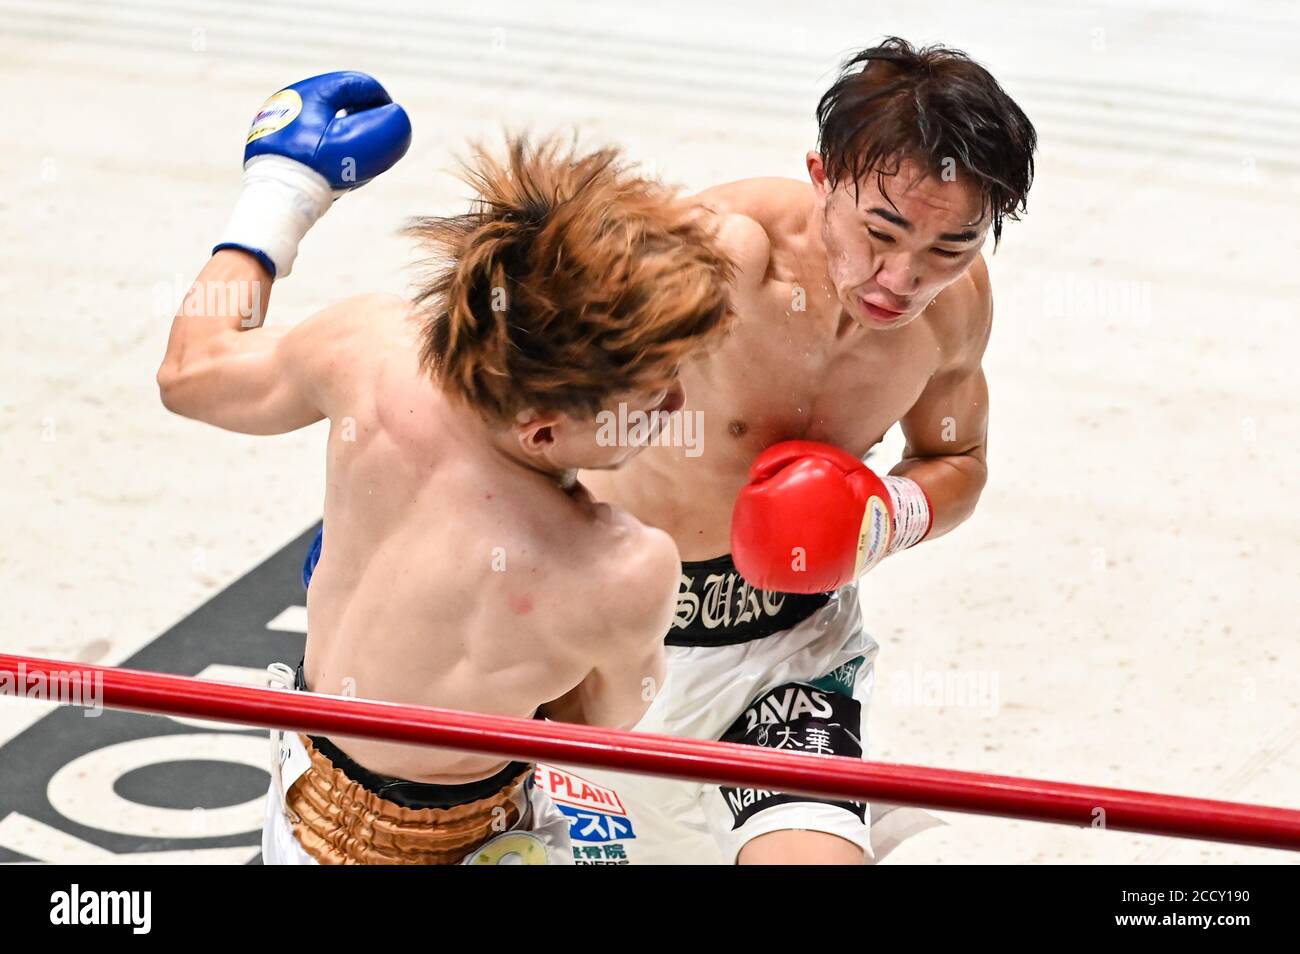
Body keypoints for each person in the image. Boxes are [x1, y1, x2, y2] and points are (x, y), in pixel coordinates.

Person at [155, 71, 734, 864]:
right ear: (538, 431)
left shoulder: (367, 347)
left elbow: (191, 370)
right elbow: (588, 732)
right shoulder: (625, 566)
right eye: (648, 395)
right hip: (473, 839)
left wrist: (281, 192)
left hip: (300, 807)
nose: (674, 409)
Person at [571, 38, 1037, 864]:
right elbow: (517, 386)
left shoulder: (956, 309)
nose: (900, 278)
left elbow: (957, 462)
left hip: (784, 656)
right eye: (880, 232)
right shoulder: (719, 251)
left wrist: (881, 514)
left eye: (947, 248)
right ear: (823, 179)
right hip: (597, 640)